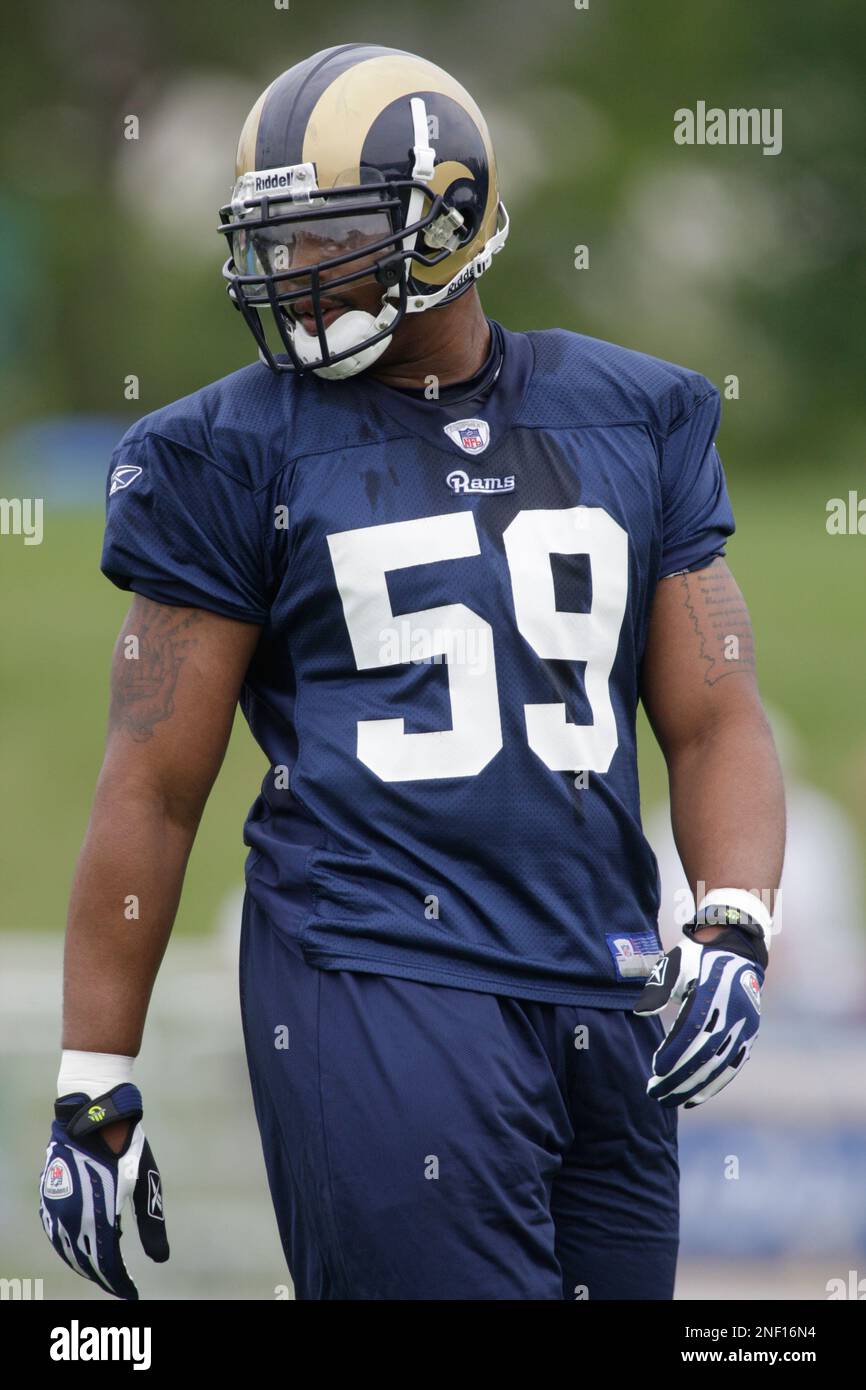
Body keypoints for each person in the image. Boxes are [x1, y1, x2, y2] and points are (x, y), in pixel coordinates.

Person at [38, 43, 784, 1301]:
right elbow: (155, 780)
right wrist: (92, 1076)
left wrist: (733, 918)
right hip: (377, 977)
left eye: (320, 235)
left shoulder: (632, 413)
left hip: (603, 988)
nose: (284, 272)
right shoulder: (225, 451)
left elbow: (714, 715)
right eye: (266, 240)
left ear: (444, 221)